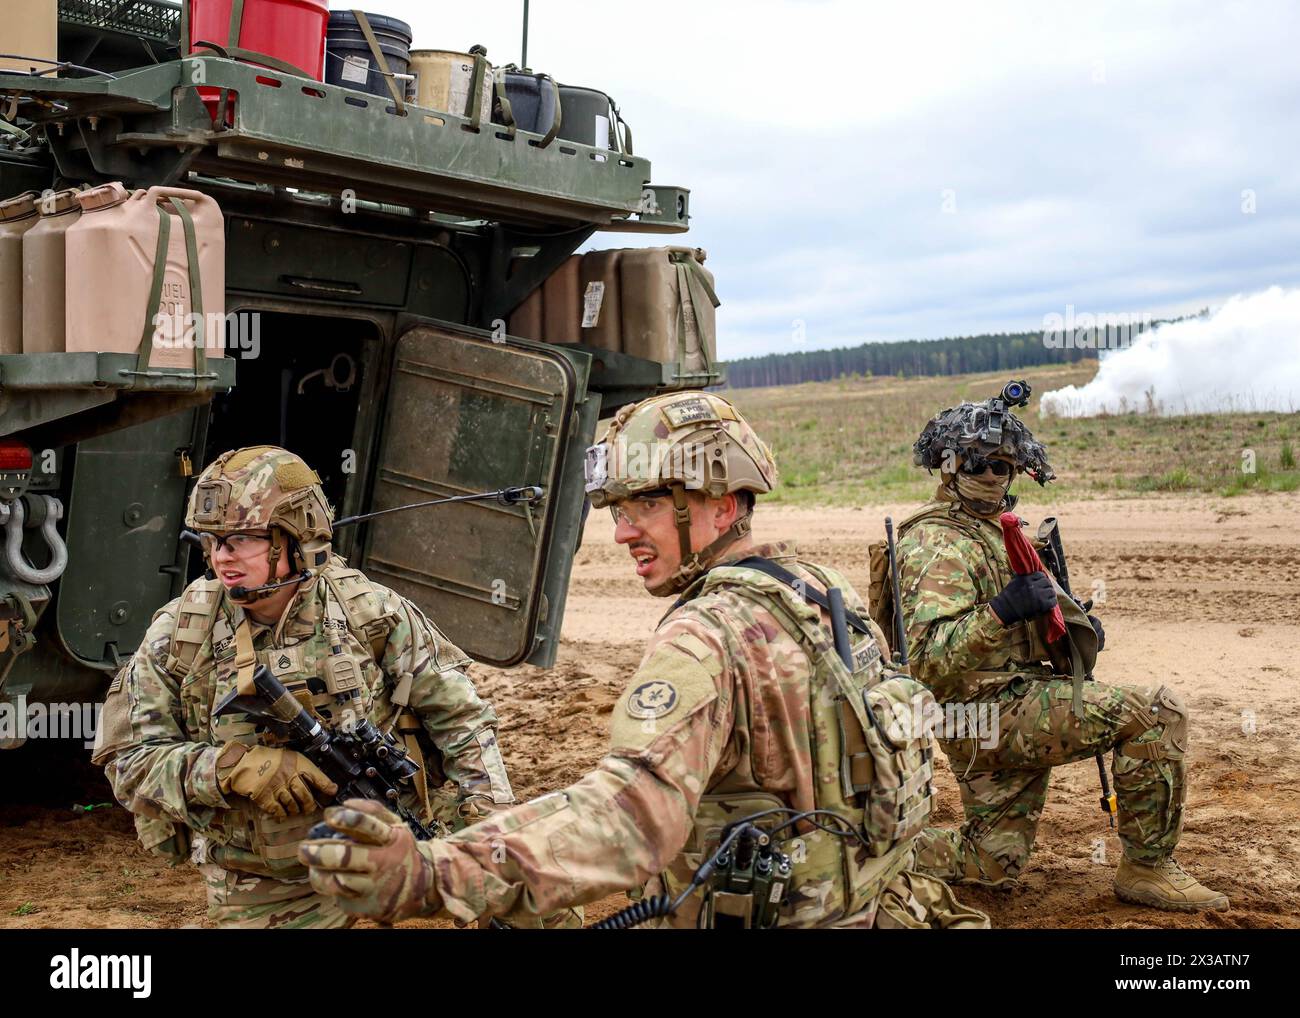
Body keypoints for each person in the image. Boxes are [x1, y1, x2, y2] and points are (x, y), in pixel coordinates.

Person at [297, 391, 989, 929]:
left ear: (721, 502)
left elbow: (629, 819)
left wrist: (435, 870)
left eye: (649, 503)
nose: (624, 531)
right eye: (617, 509)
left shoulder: (703, 637)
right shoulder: (821, 591)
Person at [91, 445, 525, 928]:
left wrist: (492, 819)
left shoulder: (369, 612)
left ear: (294, 539)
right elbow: (127, 763)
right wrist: (231, 768)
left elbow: (461, 718)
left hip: (401, 836)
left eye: (240, 540)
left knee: (530, 883)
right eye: (212, 542)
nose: (221, 557)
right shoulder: (181, 634)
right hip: (273, 875)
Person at [897, 391, 1227, 911]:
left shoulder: (993, 530)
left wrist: (1071, 628)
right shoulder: (936, 542)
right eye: (978, 463)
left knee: (990, 863)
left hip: (1005, 702)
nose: (991, 474)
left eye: (1004, 464)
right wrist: (1003, 610)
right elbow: (925, 659)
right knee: (1157, 712)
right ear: (948, 465)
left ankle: (877, 853)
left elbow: (1026, 626)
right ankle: (1147, 868)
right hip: (981, 714)